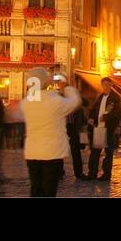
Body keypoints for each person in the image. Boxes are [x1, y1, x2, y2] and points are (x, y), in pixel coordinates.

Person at [19, 69, 81, 197]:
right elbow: (74, 102)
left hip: (33, 152)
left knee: (35, 187)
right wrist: (66, 87)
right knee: (49, 189)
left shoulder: (26, 103)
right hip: (52, 152)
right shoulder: (54, 101)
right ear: (46, 82)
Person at [87, 77, 121, 182]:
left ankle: (106, 174)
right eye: (104, 84)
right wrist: (91, 118)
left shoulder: (116, 98)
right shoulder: (100, 97)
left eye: (108, 84)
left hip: (108, 129)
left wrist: (106, 118)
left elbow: (117, 113)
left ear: (111, 85)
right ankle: (92, 173)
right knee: (95, 152)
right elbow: (94, 110)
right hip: (98, 128)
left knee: (108, 152)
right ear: (102, 85)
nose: (106, 86)